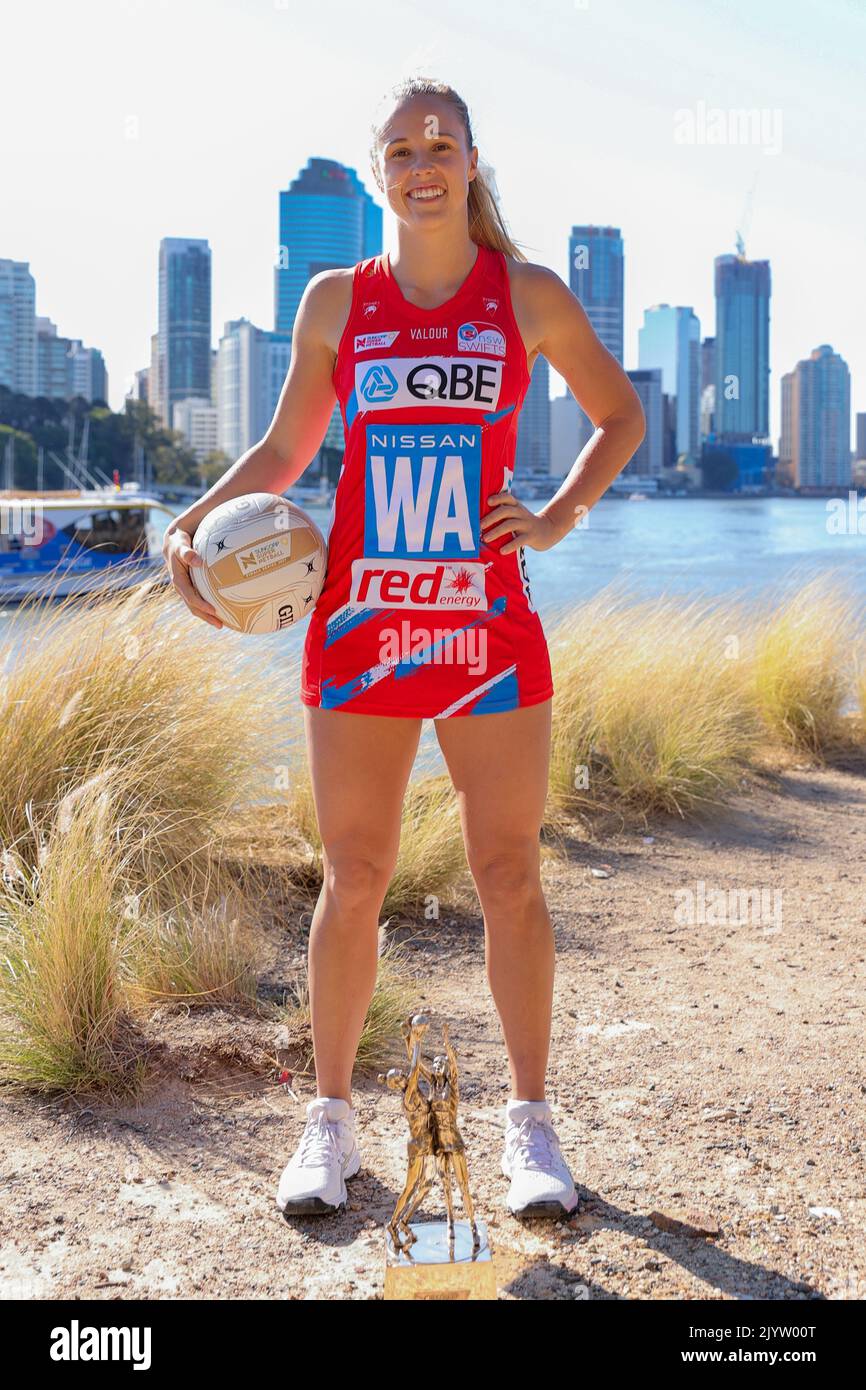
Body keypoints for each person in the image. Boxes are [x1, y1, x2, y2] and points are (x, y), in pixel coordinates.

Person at [163, 77, 645, 1224]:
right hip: (362, 625)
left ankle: (531, 1125)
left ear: (471, 162)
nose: (420, 163)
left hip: (485, 626)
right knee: (356, 874)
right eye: (398, 149)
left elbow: (617, 414)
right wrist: (192, 521)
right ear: (378, 171)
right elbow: (286, 451)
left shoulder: (523, 295)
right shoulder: (336, 300)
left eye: (439, 144)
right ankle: (328, 1124)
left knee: (509, 875)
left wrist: (560, 512)